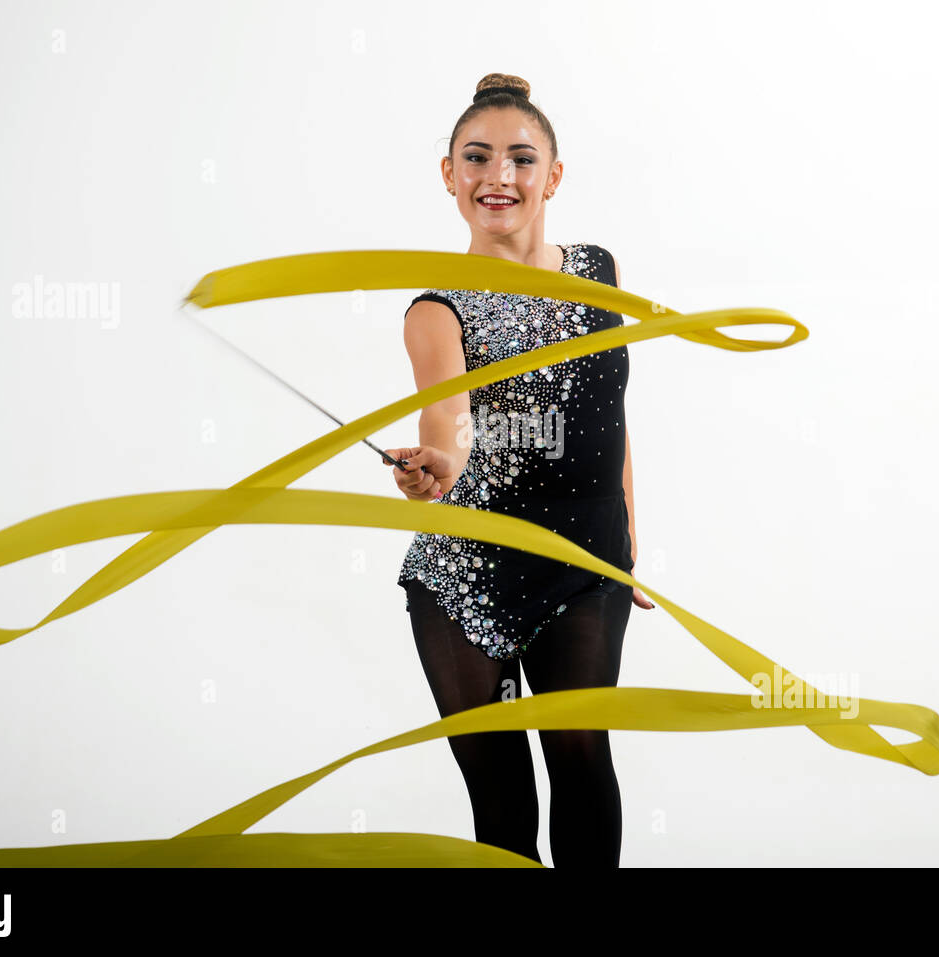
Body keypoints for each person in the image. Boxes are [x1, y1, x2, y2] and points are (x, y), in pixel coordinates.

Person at [382, 72, 655, 868]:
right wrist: (434, 468)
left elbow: (611, 417)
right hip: (470, 569)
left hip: (583, 562)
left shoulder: (598, 271)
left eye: (520, 159)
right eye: (476, 158)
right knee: (502, 802)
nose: (498, 176)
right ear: (450, 177)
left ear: (553, 177)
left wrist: (629, 540)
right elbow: (449, 420)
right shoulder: (438, 309)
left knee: (580, 752)